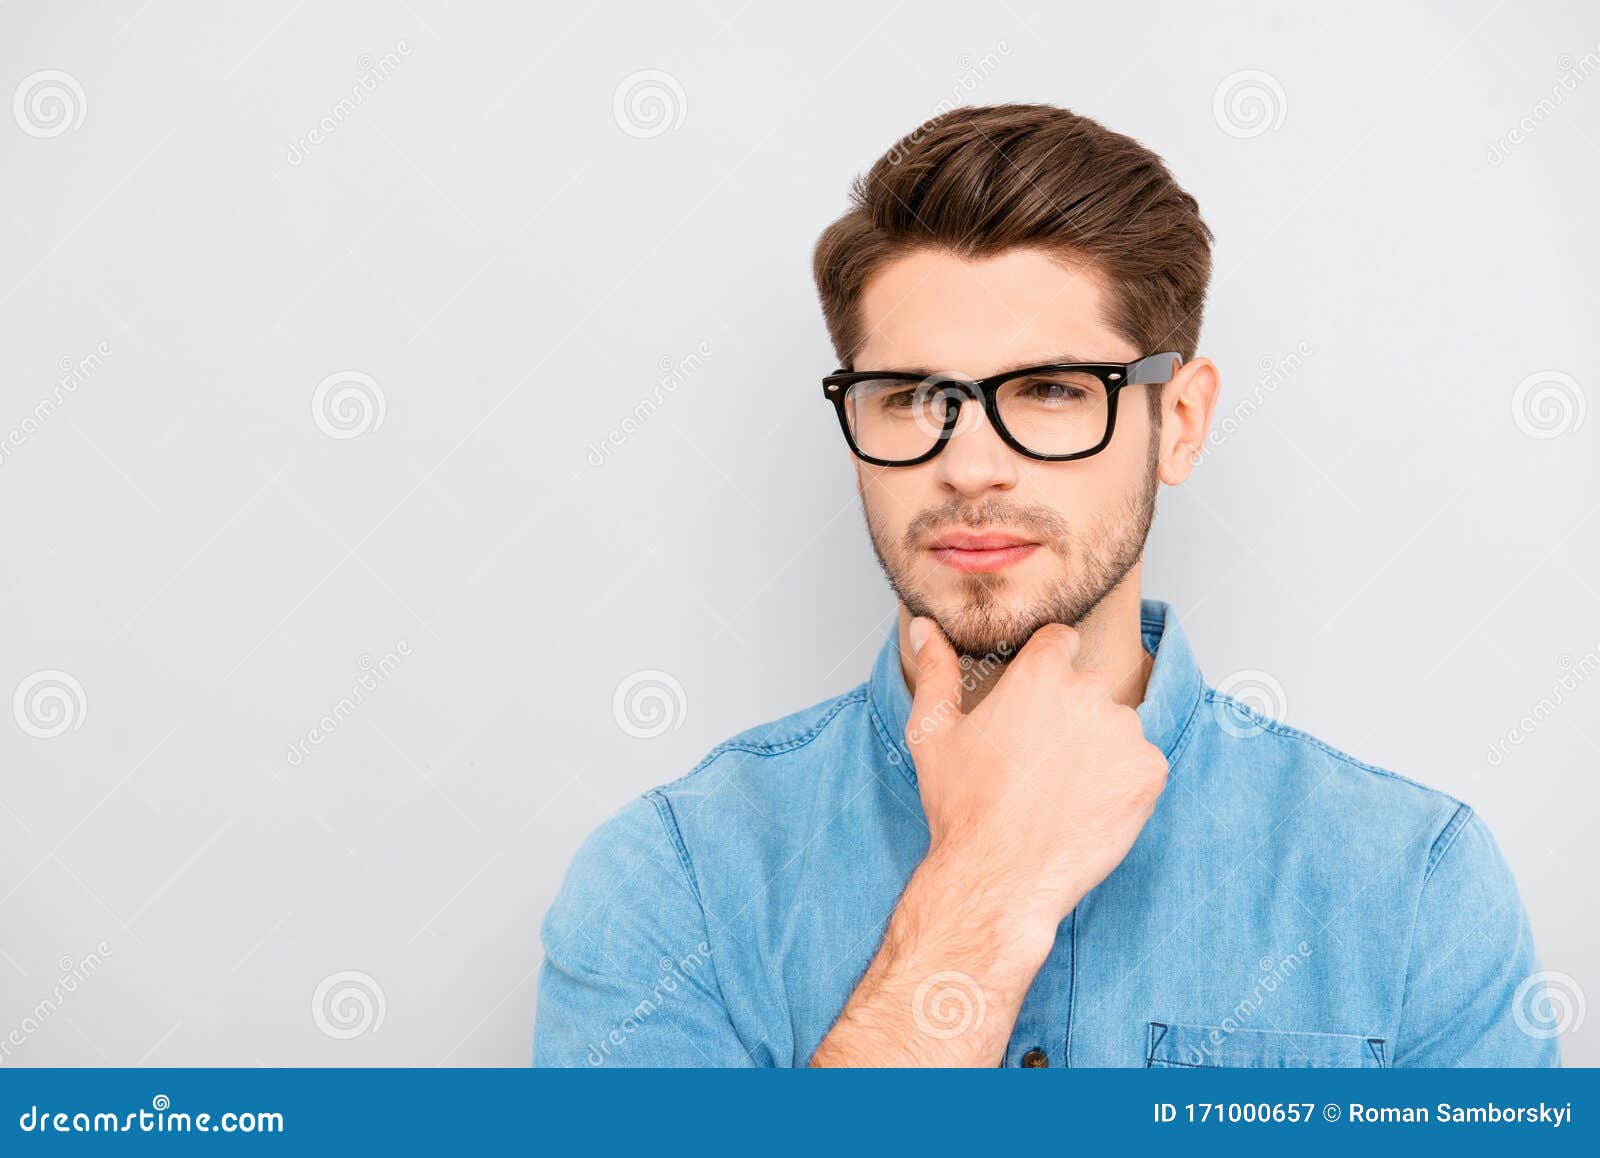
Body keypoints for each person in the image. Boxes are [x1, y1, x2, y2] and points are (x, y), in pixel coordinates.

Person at [533, 103, 1558, 1067]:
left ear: (1181, 423)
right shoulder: (674, 882)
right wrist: (986, 886)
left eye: (1053, 391)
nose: (970, 464)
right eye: (909, 396)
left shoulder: (1412, 879)